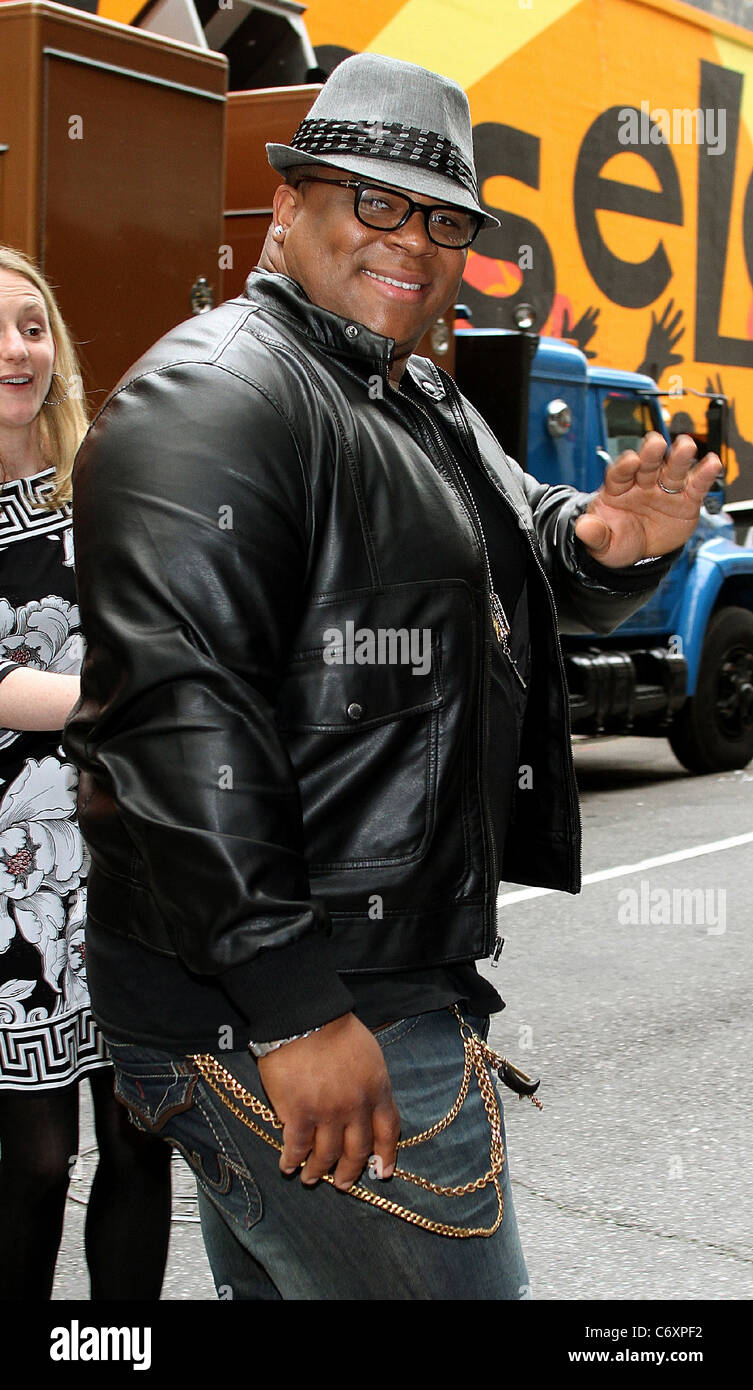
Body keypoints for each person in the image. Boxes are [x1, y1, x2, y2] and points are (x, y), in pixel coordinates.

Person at [64, 55, 721, 1301]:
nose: (415, 241)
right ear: (286, 207)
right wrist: (292, 1005)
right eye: (375, 203)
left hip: (357, 985)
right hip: (305, 1004)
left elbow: (512, 544)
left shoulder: (407, 384)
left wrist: (597, 544)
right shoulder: (220, 391)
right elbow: (176, 718)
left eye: (445, 219)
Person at [0, 246, 172, 1300]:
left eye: (31, 324)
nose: (18, 346)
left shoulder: (103, 497)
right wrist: (138, 710)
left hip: (121, 868)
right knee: (34, 1159)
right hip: (11, 882)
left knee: (140, 1135)